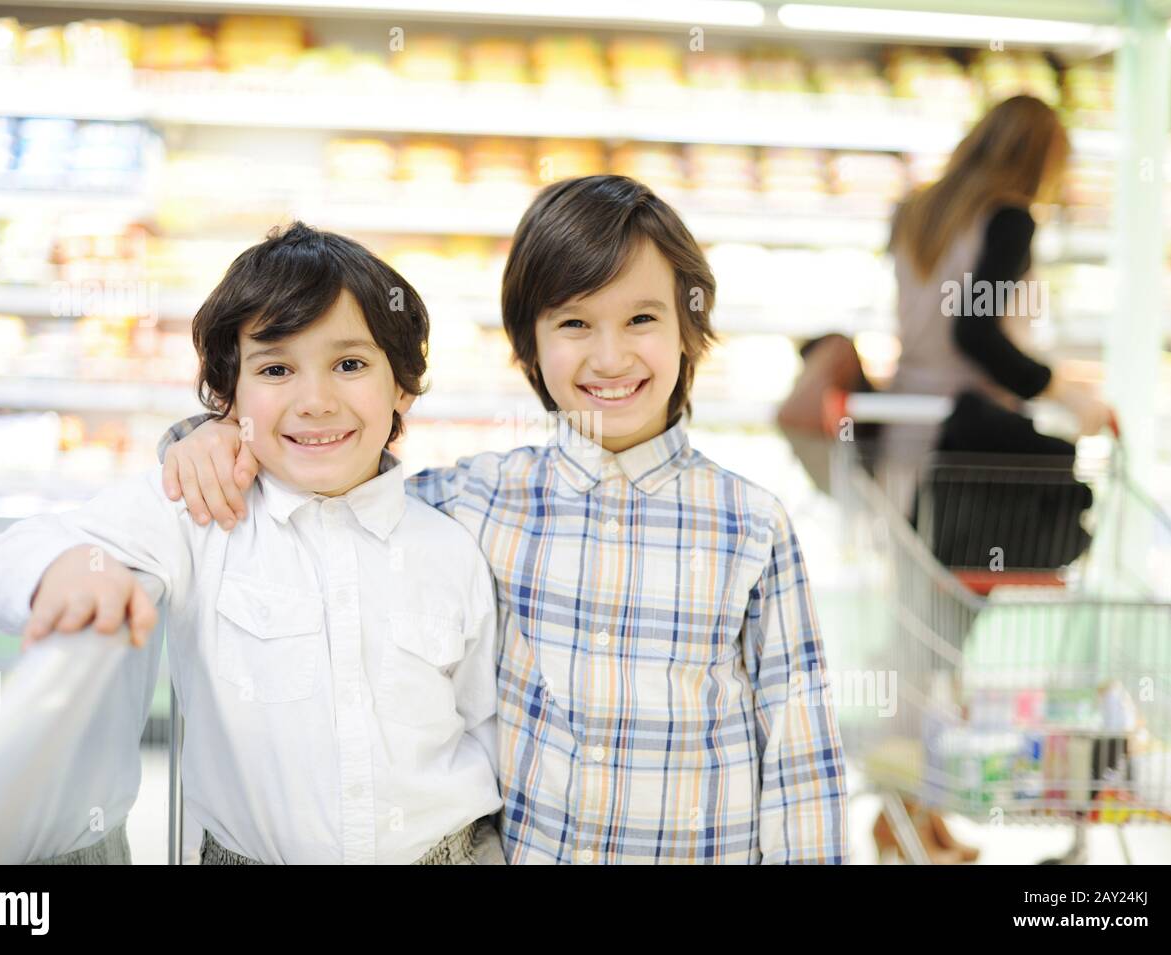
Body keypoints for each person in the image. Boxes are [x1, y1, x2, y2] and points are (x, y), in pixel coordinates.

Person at [157, 176, 849, 864]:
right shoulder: (472, 501)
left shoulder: (750, 526)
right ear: (528, 346)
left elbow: (800, 752)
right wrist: (214, 436)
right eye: (574, 323)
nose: (610, 356)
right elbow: (332, 480)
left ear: (689, 330)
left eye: (642, 319)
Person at [0, 223, 505, 865]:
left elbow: (485, 728)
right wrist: (66, 571)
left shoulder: (449, 548)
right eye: (276, 368)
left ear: (402, 388)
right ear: (228, 399)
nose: (316, 400)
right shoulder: (197, 513)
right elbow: (9, 554)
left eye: (350, 364)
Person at [884, 93, 1114, 513]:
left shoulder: (913, 210)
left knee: (911, 568)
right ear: (1043, 160)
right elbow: (974, 331)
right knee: (963, 567)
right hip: (972, 437)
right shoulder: (1009, 220)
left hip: (905, 421)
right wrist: (1061, 390)